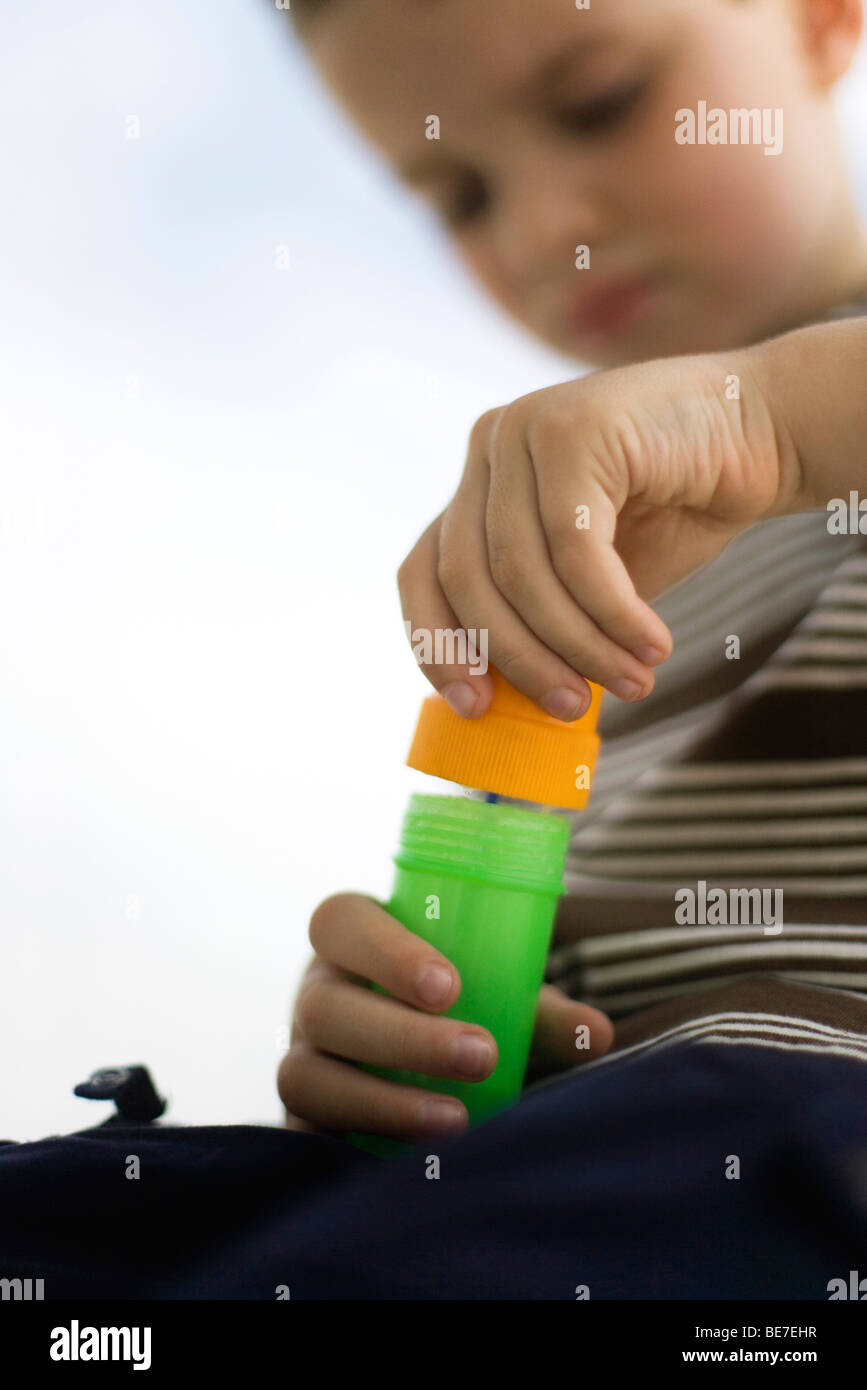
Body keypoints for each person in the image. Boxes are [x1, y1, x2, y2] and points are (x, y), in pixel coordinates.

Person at [277, 0, 867, 1151]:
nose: (551, 228)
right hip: (577, 1165)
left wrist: (779, 425)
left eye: (602, 100)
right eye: (464, 196)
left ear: (817, 18)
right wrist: (410, 1019)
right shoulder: (577, 551)